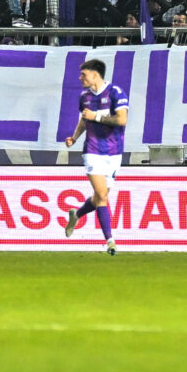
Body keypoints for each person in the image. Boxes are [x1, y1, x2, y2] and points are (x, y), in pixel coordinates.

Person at [60, 58, 127, 254]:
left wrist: (96, 116)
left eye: (84, 74)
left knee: (100, 196)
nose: (80, 77)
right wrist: (74, 137)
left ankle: (77, 214)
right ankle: (110, 242)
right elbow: (84, 120)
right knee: (102, 195)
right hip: (92, 150)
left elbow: (122, 120)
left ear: (95, 74)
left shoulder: (115, 92)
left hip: (114, 152)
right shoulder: (84, 97)